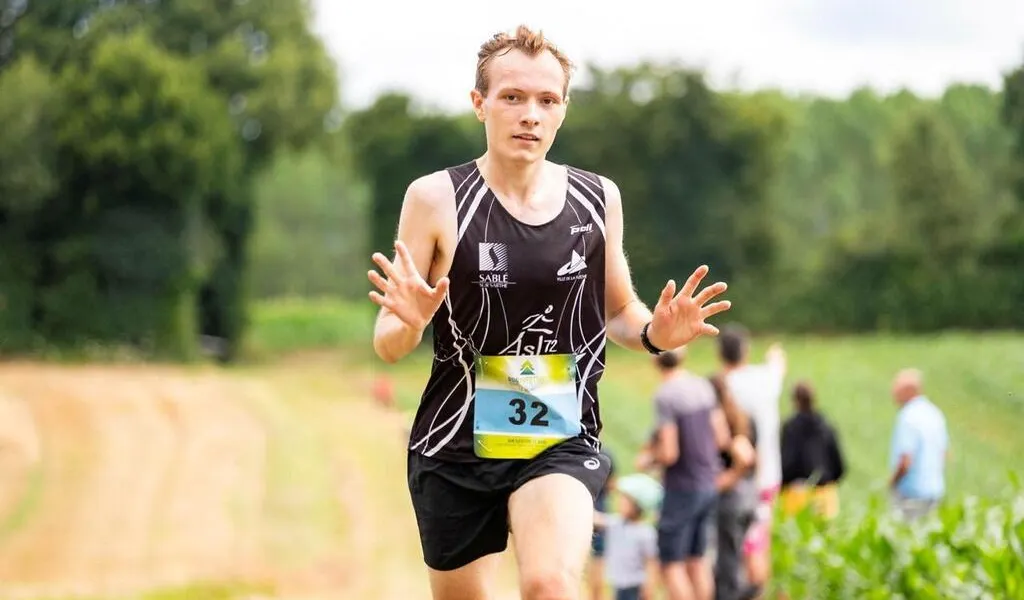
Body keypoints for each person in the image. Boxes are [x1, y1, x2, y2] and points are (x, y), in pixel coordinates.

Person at [366, 25, 732, 600]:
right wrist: (409, 318)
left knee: (548, 585)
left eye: (547, 100)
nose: (529, 115)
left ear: (563, 111)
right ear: (479, 104)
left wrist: (656, 333)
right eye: (512, 97)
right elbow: (387, 342)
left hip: (560, 435)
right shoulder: (435, 198)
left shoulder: (597, 197)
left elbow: (618, 312)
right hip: (454, 445)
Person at [644, 348, 731, 600]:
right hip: (708, 484)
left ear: (655, 359)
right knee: (697, 560)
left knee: (671, 563)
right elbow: (722, 437)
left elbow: (670, 453)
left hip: (681, 487)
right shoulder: (703, 386)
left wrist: (650, 458)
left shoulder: (665, 396)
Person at [716, 325, 785, 590]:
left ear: (720, 354)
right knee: (759, 541)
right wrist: (774, 353)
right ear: (745, 351)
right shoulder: (764, 379)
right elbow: (778, 364)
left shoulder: (723, 386)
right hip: (769, 475)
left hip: (736, 477)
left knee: (738, 547)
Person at [707, 374, 759, 600]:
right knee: (736, 553)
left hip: (728, 498)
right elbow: (755, 458)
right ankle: (742, 588)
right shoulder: (744, 418)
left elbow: (741, 458)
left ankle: (731, 593)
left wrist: (729, 478)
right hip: (748, 495)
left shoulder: (714, 421)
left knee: (725, 556)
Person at [779, 381, 846, 520]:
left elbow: (786, 461)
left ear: (795, 400)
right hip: (825, 493)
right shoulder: (826, 426)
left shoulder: (790, 428)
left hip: (796, 495)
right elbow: (838, 464)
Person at [888, 368, 948, 521]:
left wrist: (893, 482)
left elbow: (906, 460)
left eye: (896, 389)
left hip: (911, 494)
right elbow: (944, 453)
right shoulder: (935, 414)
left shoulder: (908, 417)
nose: (893, 394)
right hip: (934, 491)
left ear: (908, 391)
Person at [593, 473, 663, 600]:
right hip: (619, 585)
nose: (619, 502)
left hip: (635, 588)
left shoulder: (646, 533)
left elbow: (651, 563)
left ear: (638, 505)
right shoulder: (617, 523)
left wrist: (649, 587)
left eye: (625, 500)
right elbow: (596, 519)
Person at [588, 448, 617, 600]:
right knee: (598, 563)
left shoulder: (575, 451)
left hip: (580, 510)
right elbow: (613, 485)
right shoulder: (607, 456)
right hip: (600, 511)